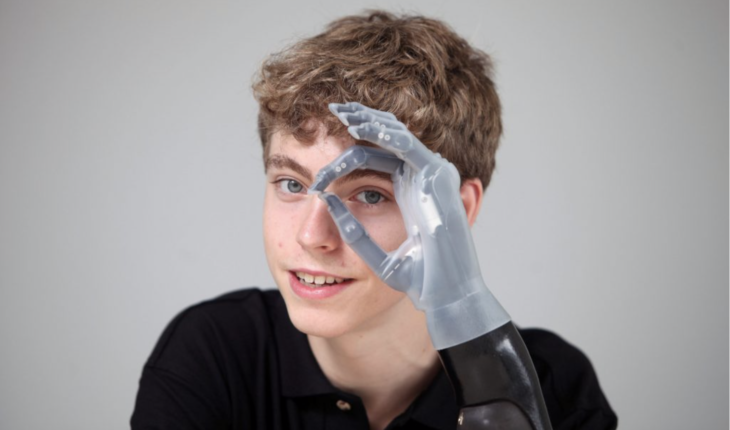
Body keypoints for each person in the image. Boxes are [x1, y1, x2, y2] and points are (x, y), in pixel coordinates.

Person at [131, 11, 617, 430]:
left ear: (460, 210)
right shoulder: (212, 354)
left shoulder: (553, 384)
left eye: (370, 194)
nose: (311, 236)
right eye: (292, 185)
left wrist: (465, 309)